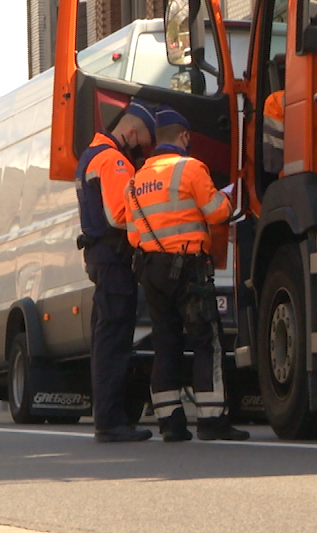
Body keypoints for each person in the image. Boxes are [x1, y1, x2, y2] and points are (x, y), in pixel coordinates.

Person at [125, 106, 248, 442]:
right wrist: (228, 199)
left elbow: (132, 233)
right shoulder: (190, 169)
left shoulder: (136, 179)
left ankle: (170, 423)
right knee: (206, 340)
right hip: (188, 268)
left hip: (151, 270)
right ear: (184, 137)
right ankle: (211, 420)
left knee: (165, 343)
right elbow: (217, 212)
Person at [76, 98, 157, 443]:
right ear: (133, 130)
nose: (140, 151)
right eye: (141, 142)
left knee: (104, 339)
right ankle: (111, 421)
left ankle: (107, 417)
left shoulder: (90, 156)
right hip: (113, 257)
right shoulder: (114, 160)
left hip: (100, 257)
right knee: (114, 341)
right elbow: (119, 216)